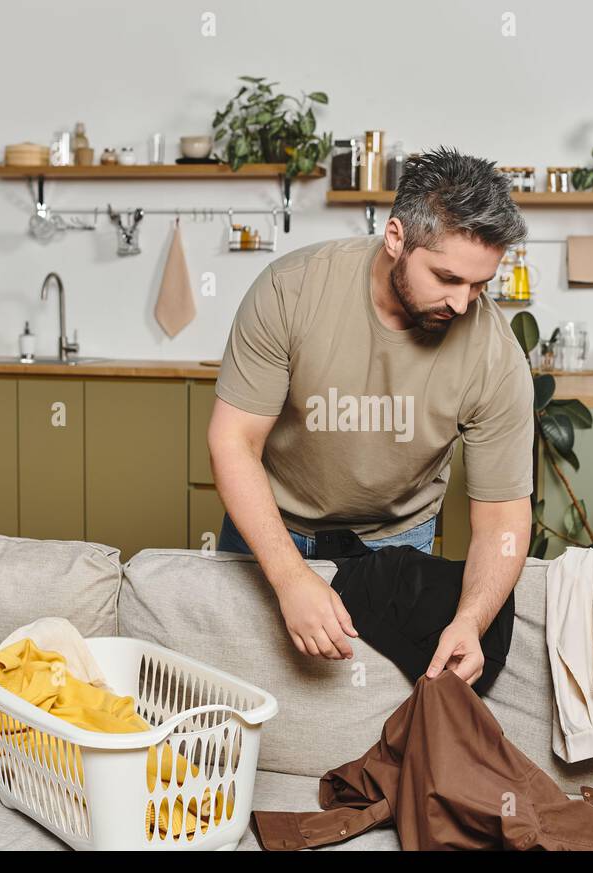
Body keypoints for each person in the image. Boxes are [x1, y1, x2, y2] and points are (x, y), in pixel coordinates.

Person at [208, 147, 534, 686]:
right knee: (238, 688)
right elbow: (233, 442)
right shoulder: (292, 289)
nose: (462, 304)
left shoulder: (494, 354)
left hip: (395, 540)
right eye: (447, 278)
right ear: (396, 237)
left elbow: (502, 517)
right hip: (272, 527)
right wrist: (290, 578)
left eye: (480, 285)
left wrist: (471, 621)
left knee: (370, 710)